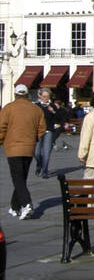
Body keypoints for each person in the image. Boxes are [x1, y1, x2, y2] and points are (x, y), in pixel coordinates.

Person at [0, 84, 46, 219]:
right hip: (29, 147)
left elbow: (1, 127)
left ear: (15, 95)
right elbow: (42, 128)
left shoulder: (8, 108)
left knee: (17, 178)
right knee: (22, 177)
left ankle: (26, 204)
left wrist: (2, 140)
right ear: (27, 95)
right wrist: (34, 138)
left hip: (13, 147)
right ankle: (14, 207)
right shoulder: (36, 109)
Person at [34, 86, 69, 179]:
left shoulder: (53, 106)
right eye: (44, 96)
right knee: (36, 153)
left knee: (46, 152)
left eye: (47, 96)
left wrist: (53, 111)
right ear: (40, 96)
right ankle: (39, 164)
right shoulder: (36, 106)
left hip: (49, 131)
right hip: (38, 131)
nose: (45, 98)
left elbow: (60, 117)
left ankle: (44, 171)